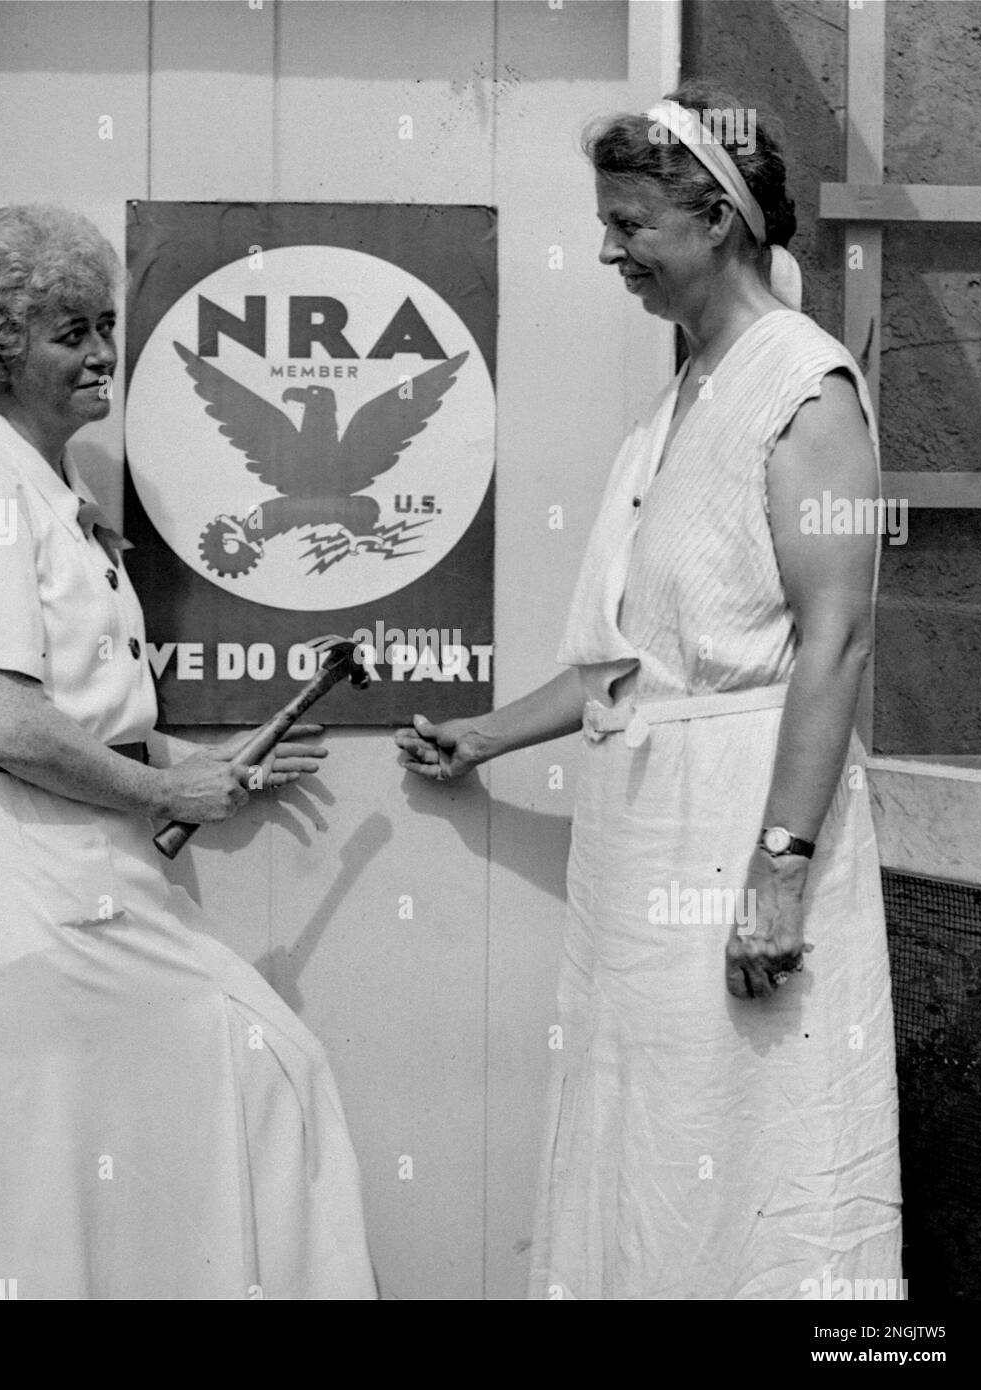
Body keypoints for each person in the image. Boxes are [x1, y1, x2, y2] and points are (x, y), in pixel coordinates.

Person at [396, 86, 902, 1300]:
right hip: (646, 836)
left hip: (740, 824)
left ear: (716, 219)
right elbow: (629, 659)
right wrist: (483, 734)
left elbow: (832, 644)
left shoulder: (803, 385)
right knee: (654, 1145)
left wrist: (777, 868)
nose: (609, 248)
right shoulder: (678, 397)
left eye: (628, 222)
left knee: (758, 1144)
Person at [0, 204, 376, 1300]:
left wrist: (210, 754)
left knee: (103, 1150)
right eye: (69, 333)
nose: (104, 354)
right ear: (2, 351)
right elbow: (5, 724)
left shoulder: (47, 488)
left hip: (61, 858)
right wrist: (166, 783)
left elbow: (71, 703)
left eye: (105, 324)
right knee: (64, 1157)